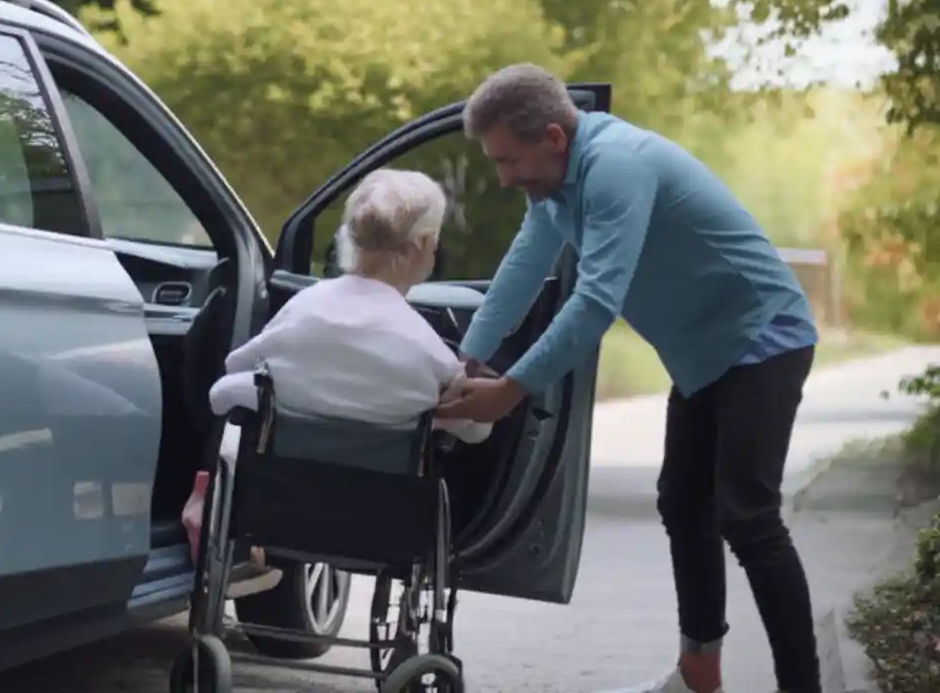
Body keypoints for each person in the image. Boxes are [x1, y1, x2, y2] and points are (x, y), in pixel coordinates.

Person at [436, 63, 821, 693]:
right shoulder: (553, 191)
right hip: (701, 355)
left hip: (763, 336)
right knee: (681, 501)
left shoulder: (617, 166)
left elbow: (594, 302)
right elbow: (521, 270)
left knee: (747, 516)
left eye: (509, 160)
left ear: (554, 139)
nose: (505, 178)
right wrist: (465, 362)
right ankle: (700, 671)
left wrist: (511, 391)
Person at [208, 167, 493, 444]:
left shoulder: (302, 310)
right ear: (424, 243)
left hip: (275, 487)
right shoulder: (426, 347)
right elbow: (477, 430)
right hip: (382, 491)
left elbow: (232, 375)